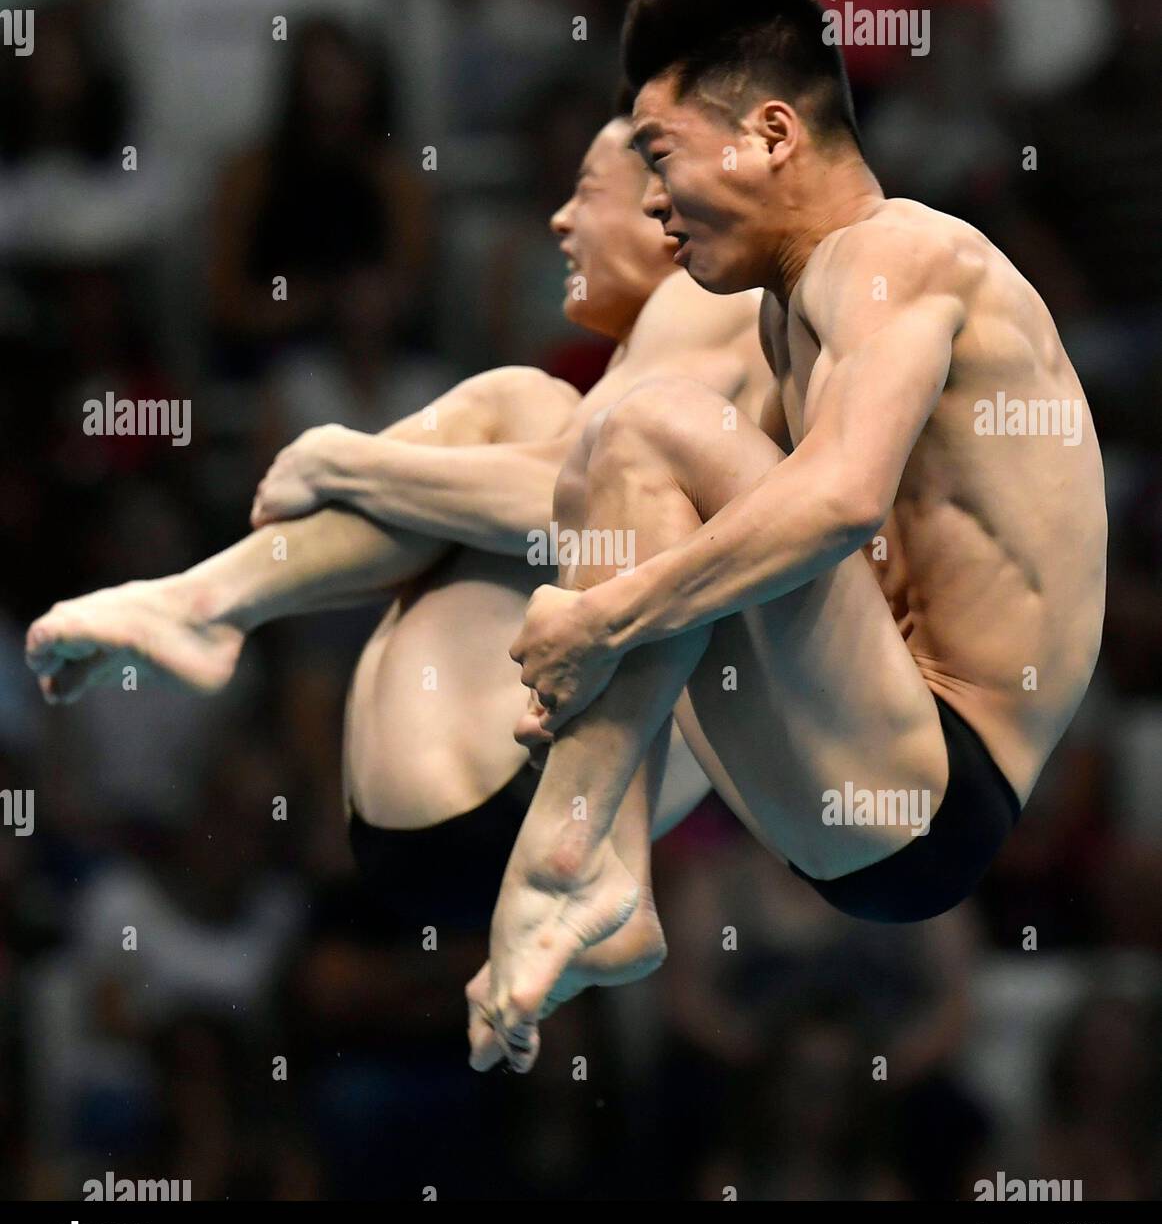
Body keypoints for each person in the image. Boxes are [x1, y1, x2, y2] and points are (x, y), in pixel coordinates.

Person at [478, 0, 1107, 1073]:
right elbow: (715, 548)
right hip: (871, 793)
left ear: (772, 134)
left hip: (940, 775)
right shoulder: (788, 321)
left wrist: (604, 619)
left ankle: (570, 861)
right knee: (606, 462)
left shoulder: (895, 256)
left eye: (662, 159)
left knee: (651, 429)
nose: (654, 205)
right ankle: (607, 871)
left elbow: (837, 501)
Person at [26, 100, 770, 1001]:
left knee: (527, 417)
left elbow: (570, 508)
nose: (559, 220)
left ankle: (207, 604)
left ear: (665, 219)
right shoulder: (658, 366)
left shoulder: (724, 321)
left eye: (585, 194)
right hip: (468, 799)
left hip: (482, 804)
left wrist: (351, 457)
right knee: (526, 426)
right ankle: (205, 604)